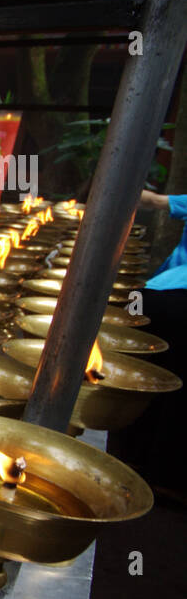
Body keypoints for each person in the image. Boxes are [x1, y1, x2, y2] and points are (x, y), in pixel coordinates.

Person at [106, 188, 187, 498]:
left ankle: (127, 461)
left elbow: (147, 199)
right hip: (174, 301)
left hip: (151, 295)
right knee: (176, 392)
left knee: (141, 373)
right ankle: (167, 478)